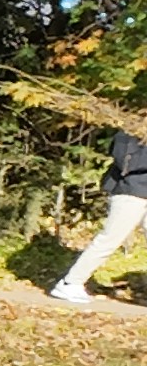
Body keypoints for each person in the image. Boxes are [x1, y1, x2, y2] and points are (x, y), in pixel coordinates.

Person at [50, 126, 147, 304]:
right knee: (110, 239)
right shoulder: (131, 131)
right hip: (131, 192)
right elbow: (126, 164)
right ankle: (70, 283)